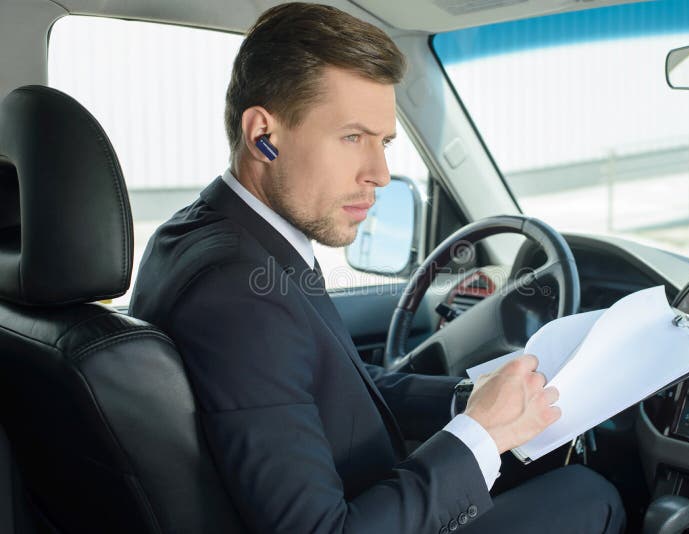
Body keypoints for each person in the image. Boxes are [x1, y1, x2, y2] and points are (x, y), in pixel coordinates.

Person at [130, 3, 625, 533]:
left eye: (383, 142)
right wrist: (483, 433)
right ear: (263, 136)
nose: (381, 174)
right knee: (589, 493)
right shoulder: (239, 294)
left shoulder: (194, 235)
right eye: (352, 137)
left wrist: (467, 401)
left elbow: (317, 383)